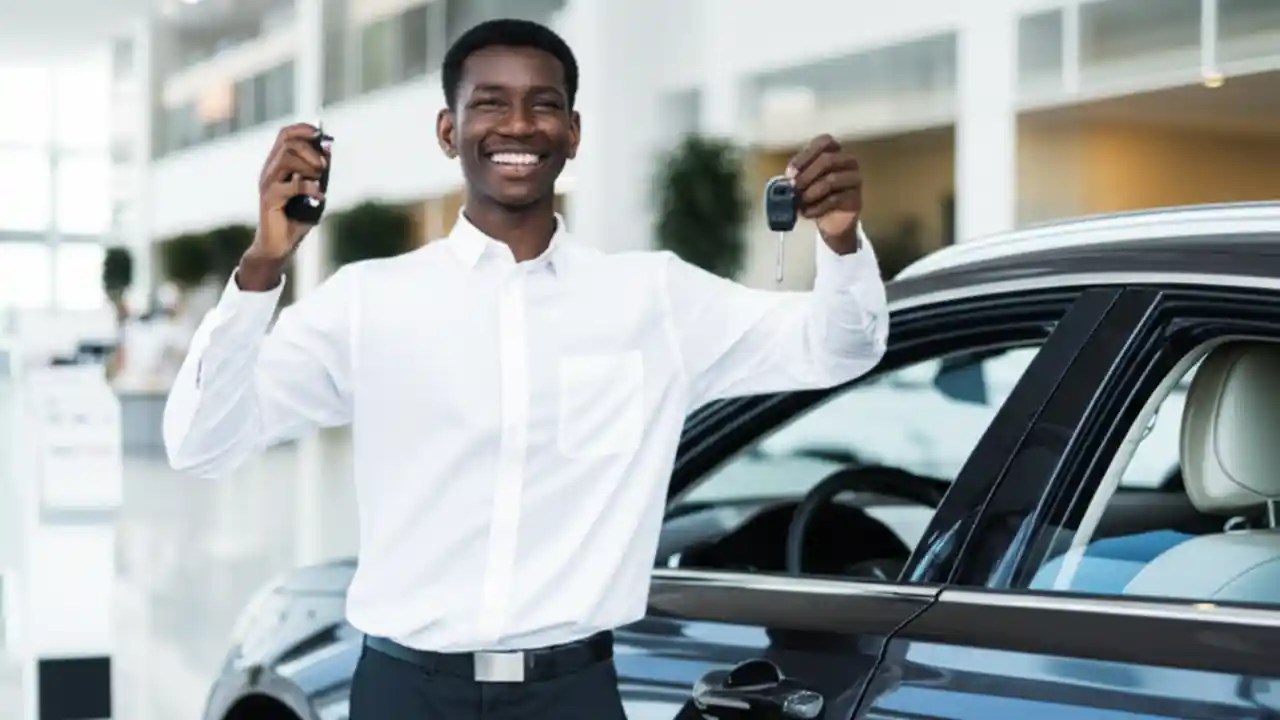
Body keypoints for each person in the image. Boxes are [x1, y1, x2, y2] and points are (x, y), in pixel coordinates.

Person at [162, 17, 888, 720]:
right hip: (403, 692)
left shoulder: (654, 298)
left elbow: (840, 348)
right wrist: (263, 264)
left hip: (570, 693)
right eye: (489, 105)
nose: (517, 126)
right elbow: (200, 443)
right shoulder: (368, 301)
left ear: (573, 133)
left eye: (544, 105)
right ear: (449, 132)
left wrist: (842, 243)